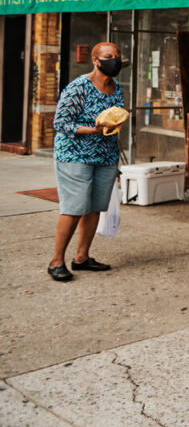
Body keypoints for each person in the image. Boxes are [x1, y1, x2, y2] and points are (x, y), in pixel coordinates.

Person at [49, 42, 127, 281]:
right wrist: (92, 129)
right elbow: (60, 123)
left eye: (116, 56)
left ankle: (81, 257)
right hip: (75, 155)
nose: (113, 60)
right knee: (74, 208)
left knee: (95, 208)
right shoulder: (79, 87)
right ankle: (56, 262)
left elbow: (116, 116)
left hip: (105, 155)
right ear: (95, 60)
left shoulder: (117, 89)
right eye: (107, 56)